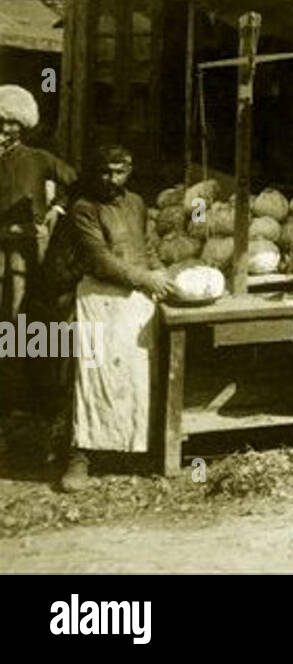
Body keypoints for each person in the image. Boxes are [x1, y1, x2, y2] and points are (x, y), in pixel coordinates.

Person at [40, 144, 171, 492]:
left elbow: (147, 246)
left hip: (133, 301)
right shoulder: (83, 208)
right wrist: (146, 278)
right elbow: (100, 260)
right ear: (93, 172)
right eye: (105, 172)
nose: (112, 179)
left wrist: (163, 274)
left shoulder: (137, 204)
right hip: (95, 296)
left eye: (119, 171)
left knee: (131, 377)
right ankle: (78, 457)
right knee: (88, 378)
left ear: (130, 171)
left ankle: (129, 450)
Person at [0, 86, 77, 324]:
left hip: (30, 236)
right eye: (2, 121)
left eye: (13, 123)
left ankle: (20, 352)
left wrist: (58, 207)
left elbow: (75, 181)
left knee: (23, 295)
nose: (6, 129)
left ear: (23, 127)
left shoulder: (39, 157)